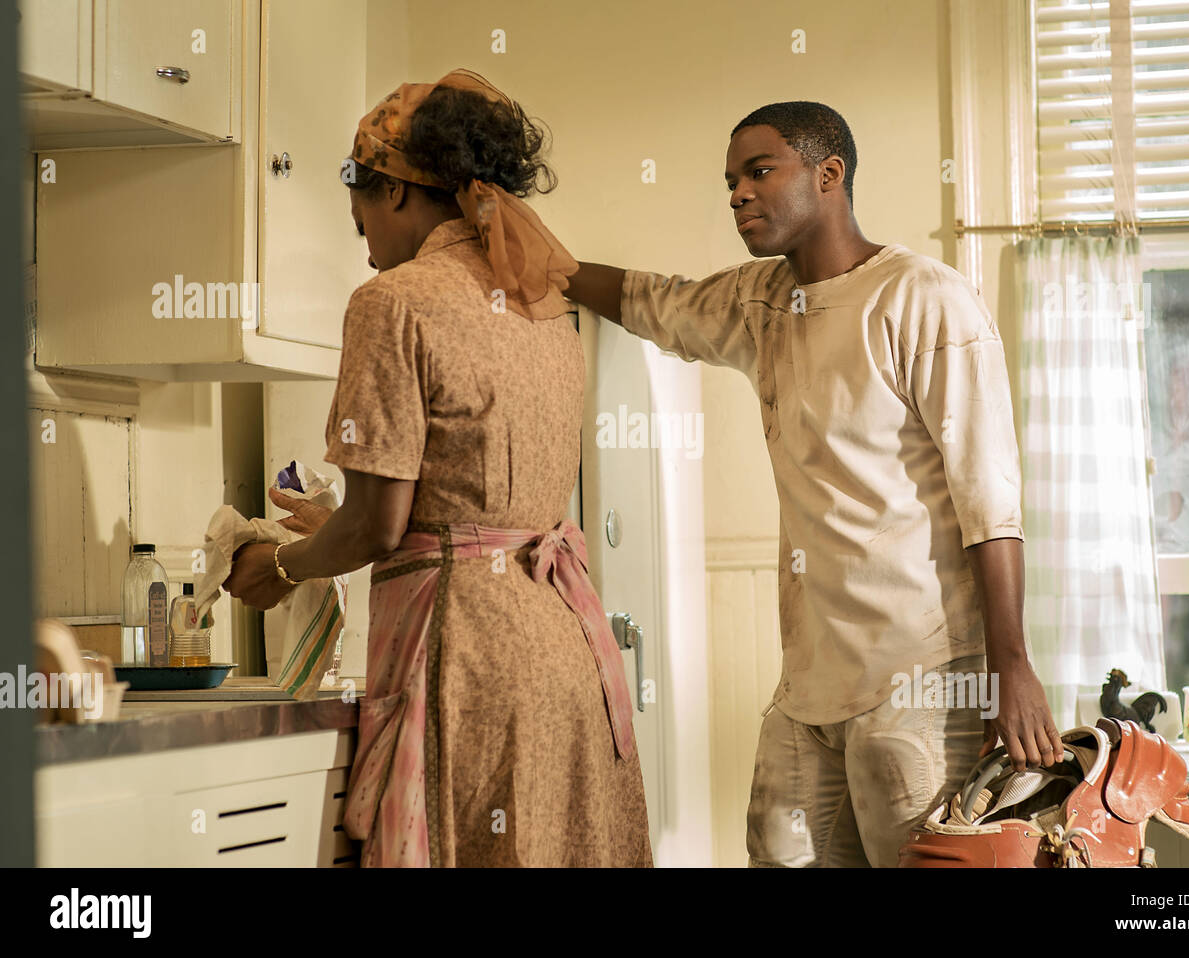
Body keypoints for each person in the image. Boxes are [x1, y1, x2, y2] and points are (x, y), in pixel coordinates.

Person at [562, 100, 1062, 867]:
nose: (737, 193)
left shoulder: (923, 297)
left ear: (829, 175)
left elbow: (989, 502)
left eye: (760, 171)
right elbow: (649, 302)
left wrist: (1012, 666)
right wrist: (540, 265)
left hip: (921, 678)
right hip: (807, 692)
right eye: (730, 179)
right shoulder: (756, 302)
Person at [223, 70, 653, 868]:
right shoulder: (543, 306)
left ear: (391, 190)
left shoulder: (394, 301)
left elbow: (380, 524)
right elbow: (465, 507)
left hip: (471, 658)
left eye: (359, 211)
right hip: (562, 651)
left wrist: (281, 564)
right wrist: (344, 530)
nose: (362, 235)